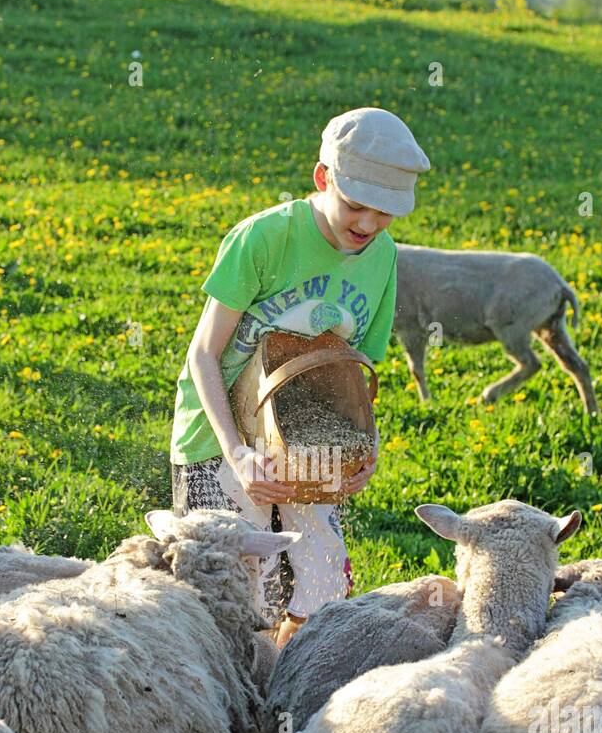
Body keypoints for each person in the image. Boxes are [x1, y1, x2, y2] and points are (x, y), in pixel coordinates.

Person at [169, 106, 430, 647]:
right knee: (234, 601)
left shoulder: (382, 257)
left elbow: (357, 369)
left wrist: (367, 447)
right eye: (355, 206)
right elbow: (203, 354)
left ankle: (290, 693)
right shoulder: (264, 239)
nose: (367, 225)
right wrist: (238, 454)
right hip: (219, 439)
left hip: (311, 442)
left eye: (384, 214)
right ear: (322, 178)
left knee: (320, 589)